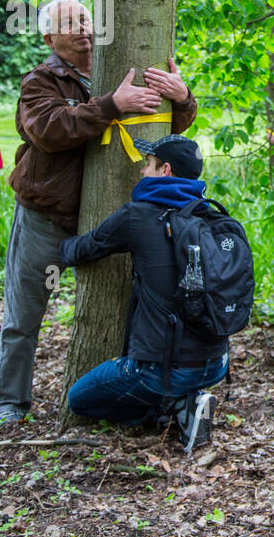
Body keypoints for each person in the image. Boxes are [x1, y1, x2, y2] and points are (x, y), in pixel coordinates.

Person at [0, 0, 197, 432]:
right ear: (48, 37)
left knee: (129, 309)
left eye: (86, 19)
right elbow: (49, 132)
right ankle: (9, 404)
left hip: (113, 220)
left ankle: (123, 399)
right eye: (69, 23)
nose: (83, 28)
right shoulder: (40, 82)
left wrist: (182, 101)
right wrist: (110, 106)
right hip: (48, 216)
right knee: (23, 316)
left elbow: (160, 133)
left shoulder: (122, 66)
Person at [61, 136, 226, 452]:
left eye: (147, 164)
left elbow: (83, 250)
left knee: (78, 400)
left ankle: (175, 407)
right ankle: (188, 402)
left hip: (161, 370)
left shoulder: (137, 215)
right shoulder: (211, 216)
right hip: (215, 363)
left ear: (165, 170)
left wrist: (57, 246)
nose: (141, 171)